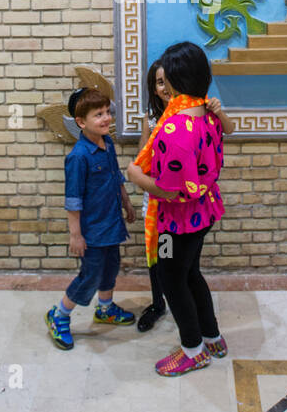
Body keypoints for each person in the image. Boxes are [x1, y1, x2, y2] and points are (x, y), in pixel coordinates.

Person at [126, 41, 229, 377]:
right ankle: (212, 336)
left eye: (166, 76)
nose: (163, 83)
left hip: (175, 224)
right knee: (191, 274)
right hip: (203, 214)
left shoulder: (174, 128)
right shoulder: (206, 115)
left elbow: (169, 192)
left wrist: (135, 175)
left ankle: (193, 350)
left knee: (172, 280)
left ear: (175, 79)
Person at [45, 87, 138, 350]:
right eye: (99, 114)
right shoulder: (78, 157)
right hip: (92, 231)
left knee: (111, 268)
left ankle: (105, 308)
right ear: (81, 122)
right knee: (91, 275)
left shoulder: (107, 143)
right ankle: (59, 315)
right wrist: (75, 234)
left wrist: (126, 202)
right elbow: (73, 200)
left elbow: (116, 176)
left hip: (112, 223)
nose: (106, 118)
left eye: (108, 112)